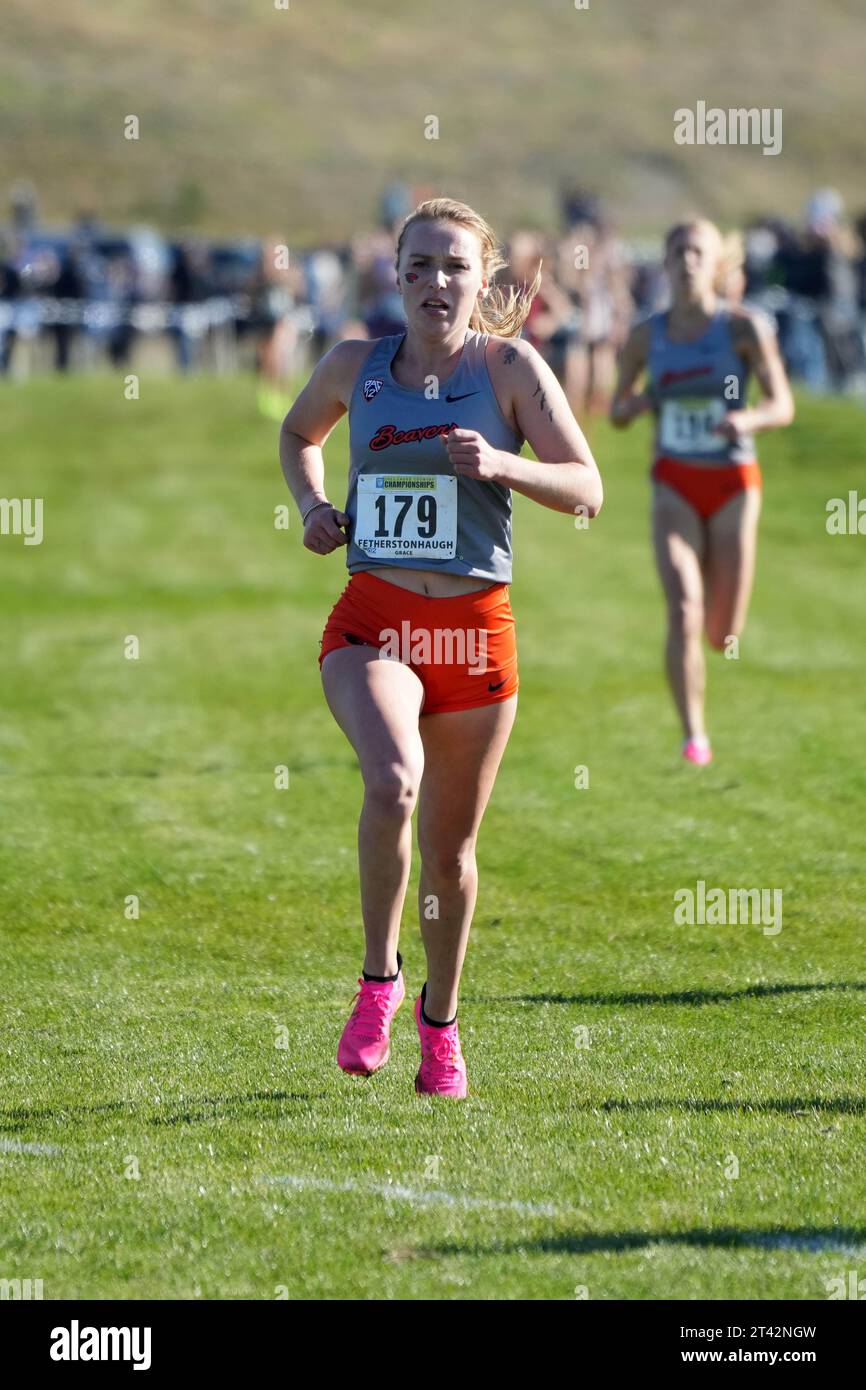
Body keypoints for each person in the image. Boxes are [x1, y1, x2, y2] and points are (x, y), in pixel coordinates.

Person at [279, 197, 602, 1097]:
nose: (435, 282)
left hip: (474, 635)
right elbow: (298, 432)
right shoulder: (356, 365)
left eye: (454, 266)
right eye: (418, 265)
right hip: (373, 621)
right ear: (396, 275)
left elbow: (588, 487)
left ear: (482, 279)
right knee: (393, 783)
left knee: (452, 855)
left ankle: (441, 1023)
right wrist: (313, 508)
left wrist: (504, 464)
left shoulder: (510, 369)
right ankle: (378, 983)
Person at [611, 218, 794, 764]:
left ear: (716, 264)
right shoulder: (648, 336)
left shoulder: (744, 328)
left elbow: (782, 404)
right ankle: (695, 735)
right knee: (683, 610)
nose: (687, 261)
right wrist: (638, 404)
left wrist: (749, 421)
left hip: (734, 482)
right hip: (675, 481)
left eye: (697, 252)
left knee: (721, 631)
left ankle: (711, 659)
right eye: (677, 252)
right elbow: (617, 407)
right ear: (665, 264)